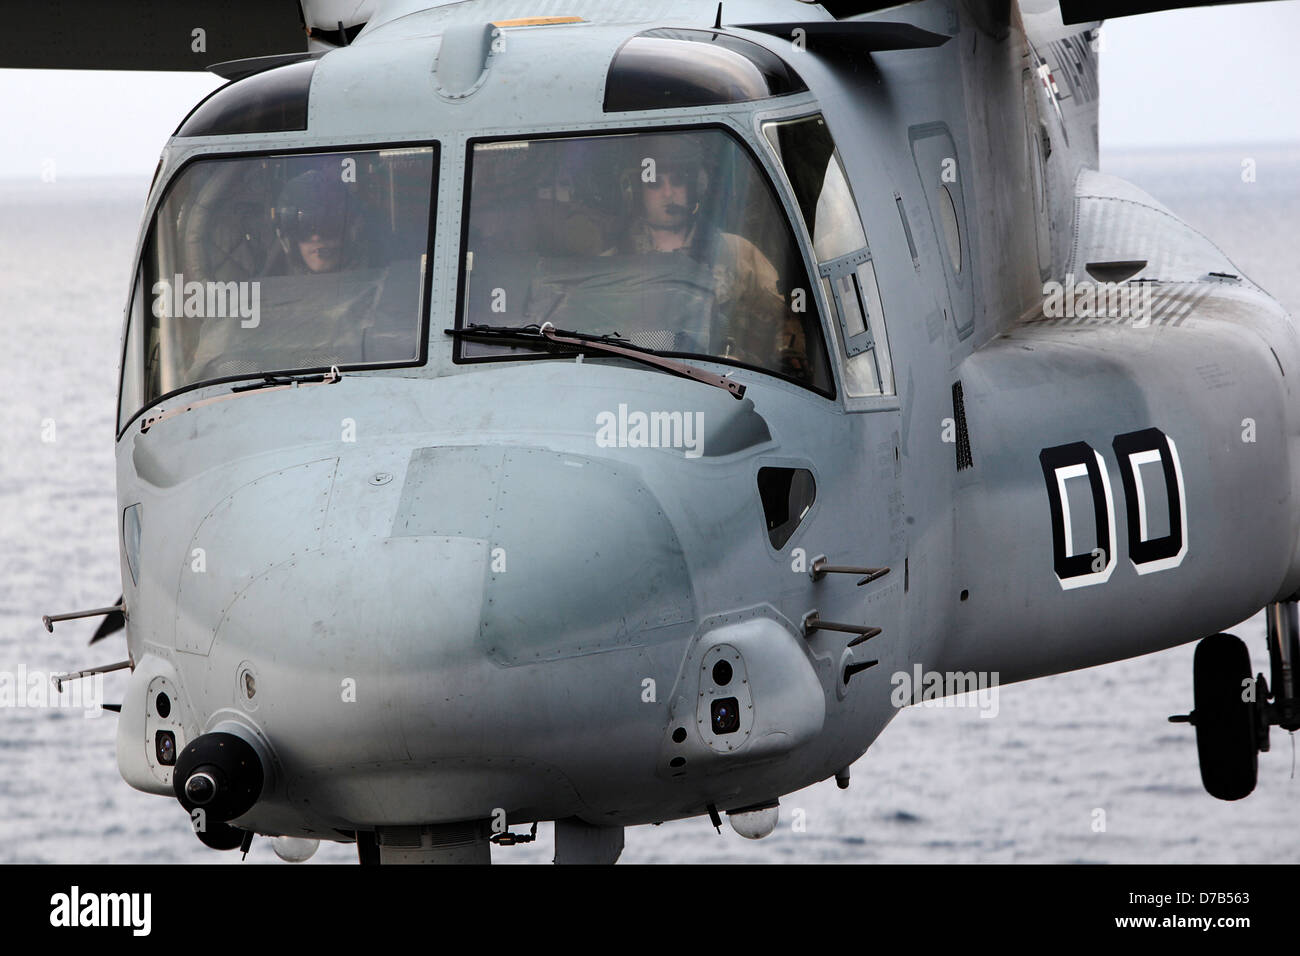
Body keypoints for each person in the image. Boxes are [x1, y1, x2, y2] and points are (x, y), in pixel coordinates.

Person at [606, 134, 808, 378]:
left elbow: (786, 327)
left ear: (697, 186)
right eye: (655, 184)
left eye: (678, 182)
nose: (668, 193)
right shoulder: (613, 264)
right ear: (636, 192)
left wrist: (756, 366)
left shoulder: (738, 254)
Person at [271, 169, 351, 274]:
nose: (316, 237)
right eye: (304, 226)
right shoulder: (264, 286)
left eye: (329, 224)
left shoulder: (377, 282)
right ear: (290, 242)